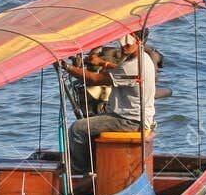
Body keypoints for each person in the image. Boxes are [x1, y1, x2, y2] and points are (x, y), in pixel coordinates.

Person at [63, 33, 157, 174]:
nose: (123, 45)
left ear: (139, 42)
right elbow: (121, 71)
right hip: (141, 118)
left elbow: (93, 79)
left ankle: (80, 173)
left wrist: (66, 67)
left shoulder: (131, 67)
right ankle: (96, 166)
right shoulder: (145, 59)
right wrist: (102, 63)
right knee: (93, 124)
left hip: (129, 121)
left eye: (128, 42)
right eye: (122, 41)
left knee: (78, 128)